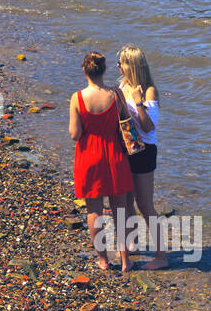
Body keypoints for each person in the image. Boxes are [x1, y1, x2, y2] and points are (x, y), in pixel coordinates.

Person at [69, 51, 134, 271]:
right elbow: (126, 124)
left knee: (94, 212)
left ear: (84, 71)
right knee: (121, 211)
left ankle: (104, 260)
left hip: (89, 158)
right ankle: (126, 261)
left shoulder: (77, 98)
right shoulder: (116, 94)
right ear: (105, 70)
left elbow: (75, 134)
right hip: (115, 156)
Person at [118, 44, 167, 269]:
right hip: (127, 148)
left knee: (145, 204)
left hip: (145, 151)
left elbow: (148, 127)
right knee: (125, 201)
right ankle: (131, 244)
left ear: (132, 65)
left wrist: (138, 102)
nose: (118, 65)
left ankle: (161, 257)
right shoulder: (122, 85)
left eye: (122, 62)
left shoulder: (148, 91)